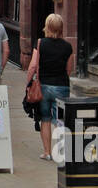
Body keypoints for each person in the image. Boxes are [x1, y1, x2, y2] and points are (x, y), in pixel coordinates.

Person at [25, 14, 74, 160]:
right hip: (62, 86)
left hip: (43, 86)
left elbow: (33, 66)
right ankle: (62, 152)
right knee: (61, 120)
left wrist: (28, 84)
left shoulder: (40, 43)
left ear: (47, 26)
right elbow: (69, 69)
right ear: (61, 28)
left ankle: (47, 152)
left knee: (45, 119)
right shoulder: (68, 46)